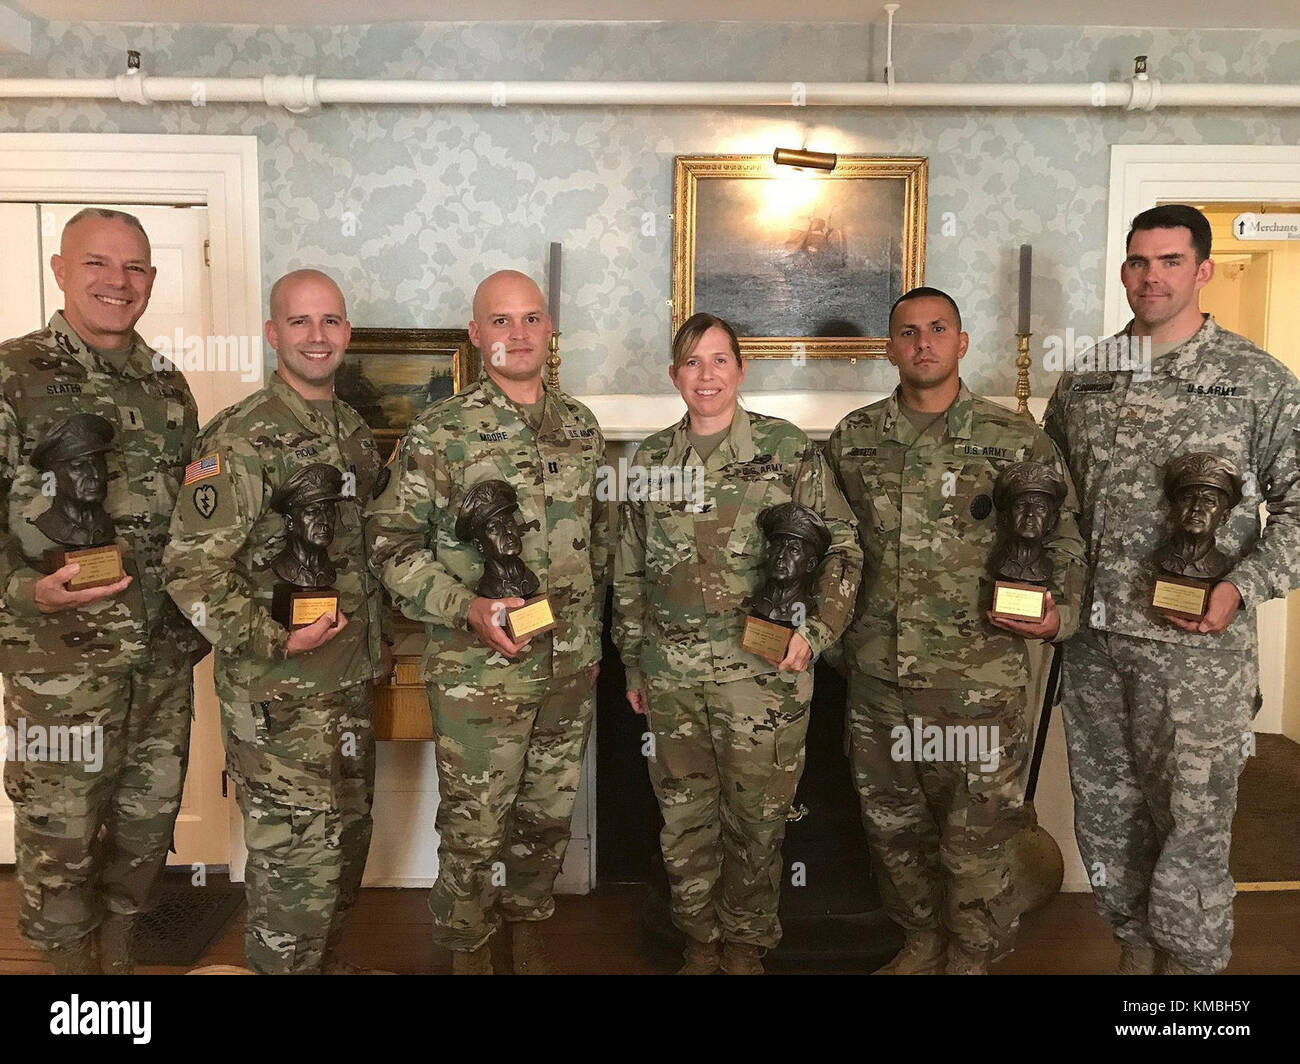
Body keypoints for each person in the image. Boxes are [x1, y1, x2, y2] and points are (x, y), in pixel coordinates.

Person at [1043, 204, 1300, 975]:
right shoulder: (1086, 377)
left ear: (1203, 269)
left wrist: (1241, 586)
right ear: (1124, 270)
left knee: (1192, 824)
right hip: (1094, 647)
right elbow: (1054, 502)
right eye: (1138, 262)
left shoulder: (1256, 382)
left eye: (1170, 261)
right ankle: (1134, 951)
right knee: (1109, 816)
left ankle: (1189, 981)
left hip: (1198, 657)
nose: (1151, 277)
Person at [827, 286, 1086, 975]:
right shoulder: (853, 441)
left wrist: (1062, 615)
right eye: (908, 333)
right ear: (889, 349)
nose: (923, 343)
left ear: (963, 342)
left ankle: (972, 958)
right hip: (878, 681)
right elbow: (831, 548)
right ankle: (921, 940)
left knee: (979, 838)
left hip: (978, 682)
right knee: (893, 830)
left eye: (938, 329)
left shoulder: (1015, 441)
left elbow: (1064, 545)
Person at [367, 269, 609, 975]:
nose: (517, 334)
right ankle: (466, 958)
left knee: (543, 825)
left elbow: (598, 545)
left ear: (549, 330)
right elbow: (390, 544)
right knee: (475, 831)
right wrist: (463, 605)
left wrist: (591, 645)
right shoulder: (441, 432)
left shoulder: (581, 428)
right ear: (476, 336)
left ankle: (527, 946)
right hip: (480, 675)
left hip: (566, 668)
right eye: (500, 322)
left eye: (530, 319)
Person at [613, 311, 862, 975]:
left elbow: (842, 543)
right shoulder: (652, 460)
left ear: (741, 370)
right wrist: (635, 662)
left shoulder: (786, 450)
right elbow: (629, 571)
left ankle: (746, 948)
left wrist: (818, 633)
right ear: (674, 376)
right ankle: (699, 945)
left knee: (756, 824)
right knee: (685, 824)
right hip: (673, 679)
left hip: (764, 678)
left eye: (720, 360)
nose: (707, 375)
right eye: (692, 362)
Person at [164, 269, 391, 975]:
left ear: (346, 333)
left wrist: (376, 648)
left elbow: (361, 554)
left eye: (329, 322)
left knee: (345, 850)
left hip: (348, 684)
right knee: (295, 872)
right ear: (272, 334)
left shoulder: (352, 431)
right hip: (279, 696)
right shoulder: (238, 439)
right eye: (299, 322)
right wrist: (272, 636)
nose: (316, 336)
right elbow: (189, 572)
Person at [0, 208, 204, 974]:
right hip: (60, 670)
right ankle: (70, 1005)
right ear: (60, 268)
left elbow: (196, 518)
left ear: (151, 279)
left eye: (134, 269)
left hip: (157, 665)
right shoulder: (13, 374)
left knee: (144, 839)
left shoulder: (167, 385)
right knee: (61, 847)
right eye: (98, 264)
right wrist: (27, 592)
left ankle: (115, 988)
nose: (117, 283)